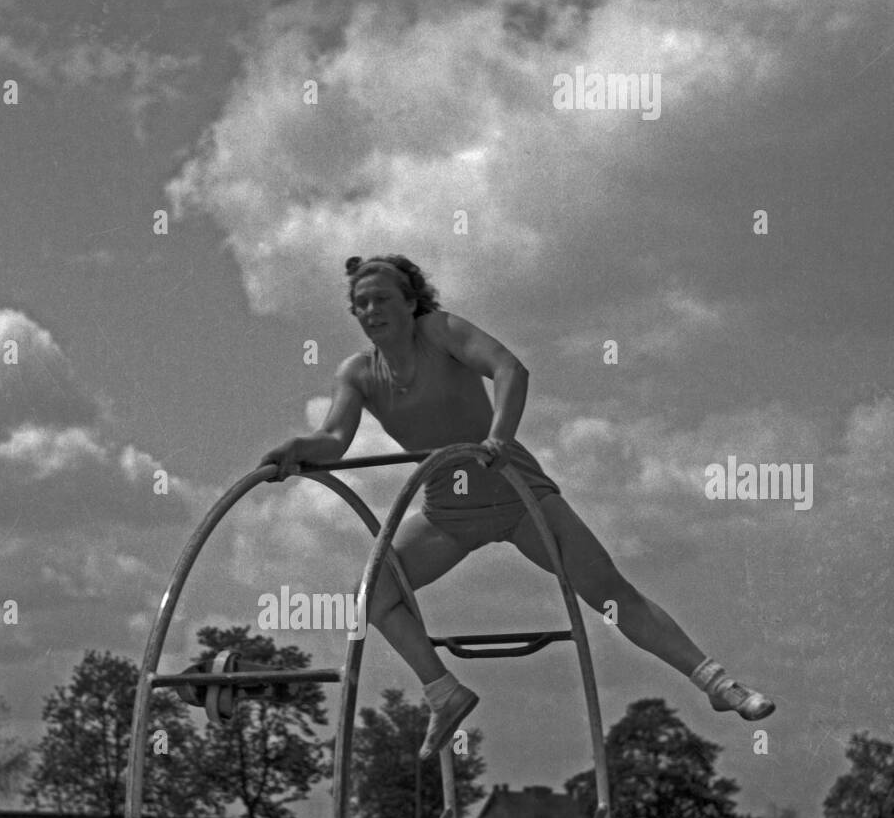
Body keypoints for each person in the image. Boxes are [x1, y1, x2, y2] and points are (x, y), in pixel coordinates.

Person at [260, 253, 774, 759]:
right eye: (361, 304)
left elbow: (509, 368)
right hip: (448, 514)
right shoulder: (357, 373)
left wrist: (498, 437)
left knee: (609, 593)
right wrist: (298, 451)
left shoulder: (440, 331)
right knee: (371, 594)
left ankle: (716, 683)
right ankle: (443, 690)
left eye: (382, 299)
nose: (371, 311)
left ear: (410, 302)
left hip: (515, 492)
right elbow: (332, 438)